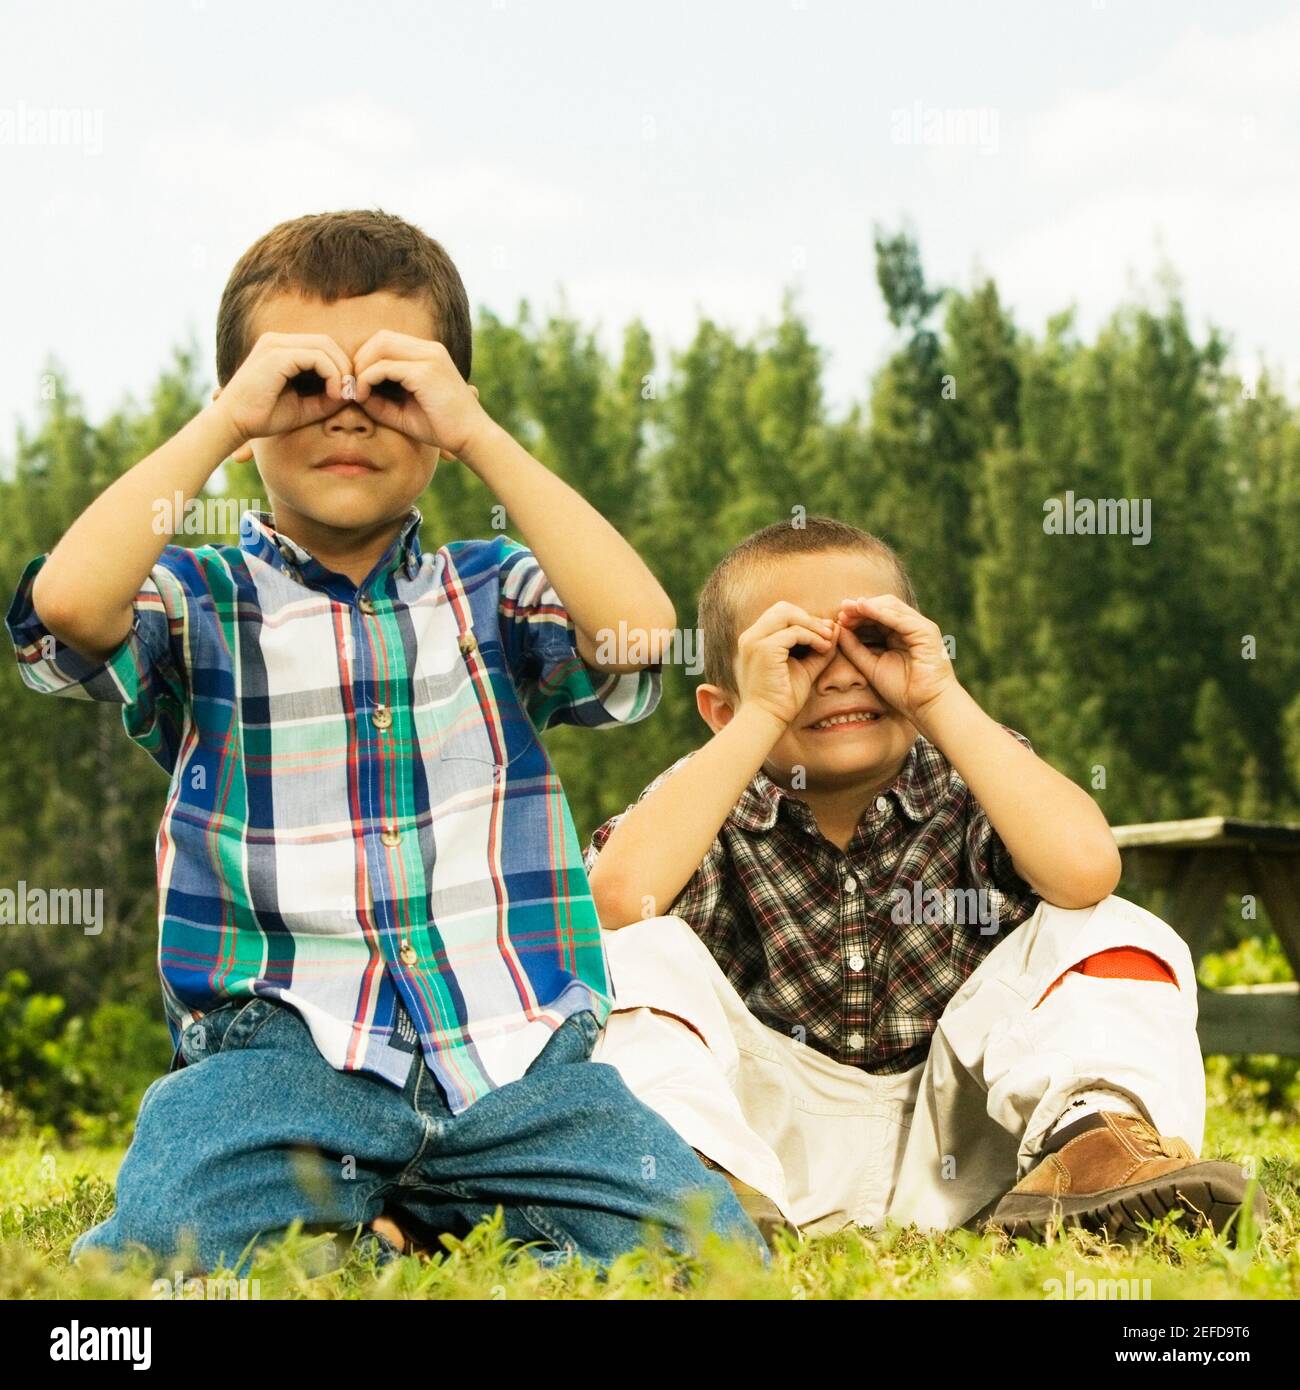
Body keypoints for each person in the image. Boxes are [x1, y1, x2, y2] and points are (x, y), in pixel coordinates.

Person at [5, 209, 761, 1273]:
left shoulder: (490, 594)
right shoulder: (203, 599)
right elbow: (71, 607)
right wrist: (226, 415)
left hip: (520, 1062)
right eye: (305, 387)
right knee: (157, 1257)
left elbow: (637, 633)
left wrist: (480, 431)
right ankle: (376, 1236)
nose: (346, 414)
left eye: (393, 388)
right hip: (279, 1061)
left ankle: (391, 1240)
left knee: (708, 1257)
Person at [584, 516, 1267, 1243]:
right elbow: (621, 904)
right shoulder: (700, 801)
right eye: (799, 652)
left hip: (977, 1153)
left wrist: (939, 699)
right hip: (758, 1160)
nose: (841, 674)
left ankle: (1096, 1156)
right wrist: (761, 718)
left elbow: (1086, 867)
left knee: (1106, 923)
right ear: (722, 709)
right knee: (629, 956)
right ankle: (695, 1192)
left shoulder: (973, 776)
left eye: (871, 642)